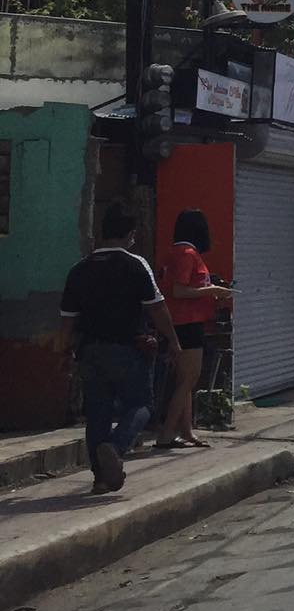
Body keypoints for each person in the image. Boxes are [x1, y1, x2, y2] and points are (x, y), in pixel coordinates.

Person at [60, 204, 179, 494]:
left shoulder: (79, 270)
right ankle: (116, 446)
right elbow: (157, 308)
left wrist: (64, 355)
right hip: (128, 350)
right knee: (141, 405)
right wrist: (174, 341)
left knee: (97, 413)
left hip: (90, 352)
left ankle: (101, 479)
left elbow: (67, 322)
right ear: (130, 234)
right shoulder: (136, 265)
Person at [156, 208, 232, 450]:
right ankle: (167, 434)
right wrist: (213, 291)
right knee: (189, 378)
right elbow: (179, 291)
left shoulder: (173, 253)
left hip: (178, 322)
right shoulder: (188, 254)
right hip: (187, 323)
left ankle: (186, 431)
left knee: (184, 380)